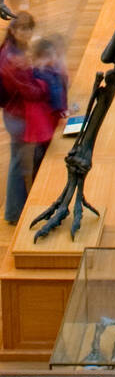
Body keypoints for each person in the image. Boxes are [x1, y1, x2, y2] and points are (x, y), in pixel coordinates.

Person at [0, 12, 42, 223]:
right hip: (18, 117)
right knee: (19, 164)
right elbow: (30, 91)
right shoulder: (11, 59)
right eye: (23, 29)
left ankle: (31, 202)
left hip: (21, 114)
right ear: (13, 30)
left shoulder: (17, 50)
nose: (27, 32)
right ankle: (14, 213)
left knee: (28, 160)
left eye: (29, 28)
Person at [25, 36, 68, 179]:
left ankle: (37, 176)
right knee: (44, 150)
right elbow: (56, 95)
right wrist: (63, 113)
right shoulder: (47, 73)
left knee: (42, 148)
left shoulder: (38, 71)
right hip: (46, 118)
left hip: (43, 118)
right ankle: (39, 177)